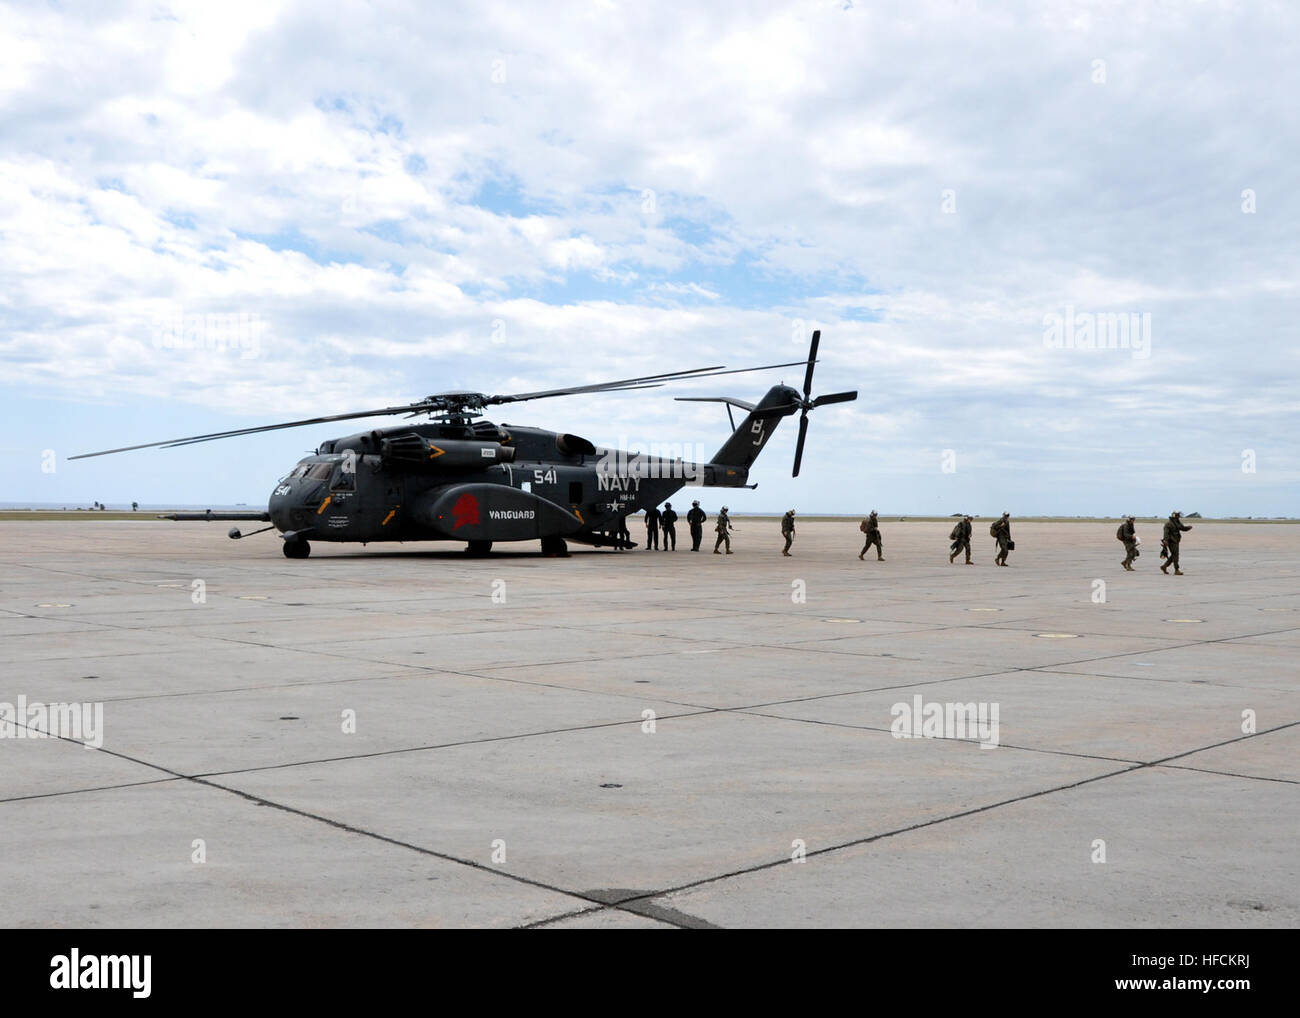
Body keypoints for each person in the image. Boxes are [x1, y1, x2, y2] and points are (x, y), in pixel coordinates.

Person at [1160, 510, 1192, 575]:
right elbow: (1166, 533)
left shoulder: (1177, 522)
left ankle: (1164, 566)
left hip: (1176, 540)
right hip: (1171, 541)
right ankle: (1176, 570)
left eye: (1179, 515)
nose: (1179, 516)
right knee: (1175, 555)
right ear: (1175, 516)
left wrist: (1188, 528)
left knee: (1174, 555)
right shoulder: (1168, 523)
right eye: (1177, 515)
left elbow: (1182, 528)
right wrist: (1165, 540)